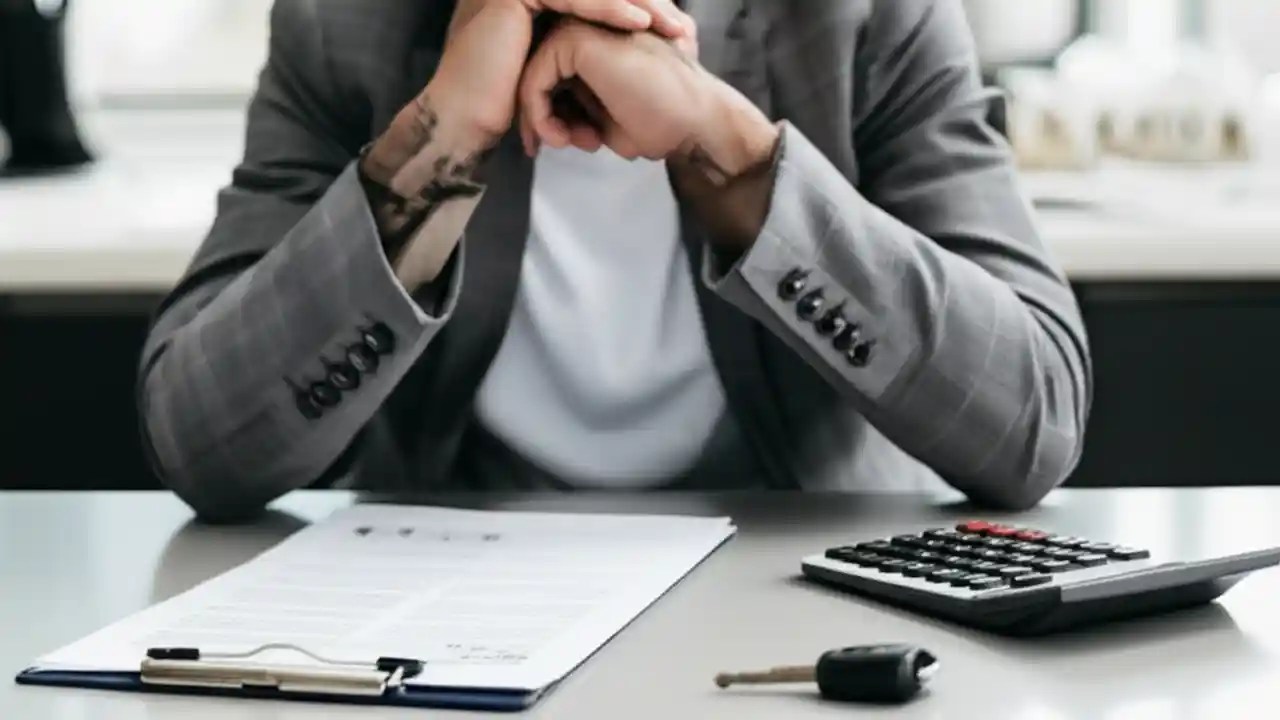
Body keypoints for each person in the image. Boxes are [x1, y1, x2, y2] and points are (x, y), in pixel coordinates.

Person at [138, 0, 1092, 522]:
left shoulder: (865, 18)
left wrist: (731, 150)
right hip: (459, 582)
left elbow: (1032, 422)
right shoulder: (344, 26)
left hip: (793, 588)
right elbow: (201, 444)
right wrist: (443, 136)